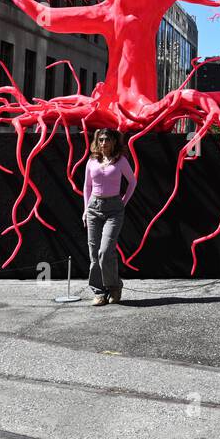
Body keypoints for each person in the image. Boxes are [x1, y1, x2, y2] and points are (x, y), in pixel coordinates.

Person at [82, 128, 137, 307]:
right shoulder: (91, 161)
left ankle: (114, 286)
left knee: (105, 251)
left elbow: (132, 181)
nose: (103, 143)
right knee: (94, 253)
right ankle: (99, 292)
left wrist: (123, 202)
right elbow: (87, 187)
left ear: (114, 142)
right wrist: (85, 210)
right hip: (93, 208)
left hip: (114, 209)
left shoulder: (120, 161)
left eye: (107, 139)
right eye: (101, 140)